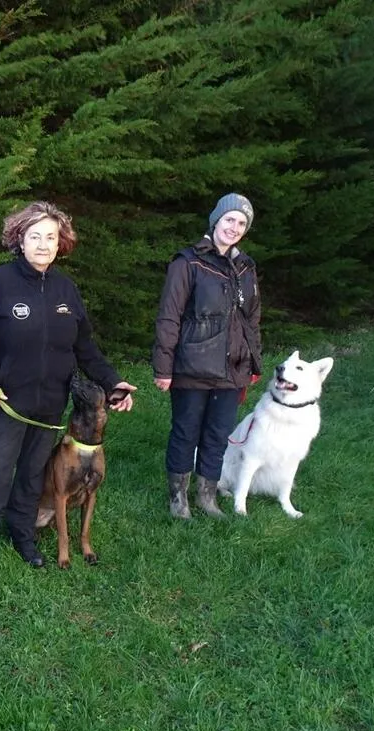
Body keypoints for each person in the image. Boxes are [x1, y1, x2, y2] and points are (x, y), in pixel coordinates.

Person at [0, 201, 136, 581]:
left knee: (32, 476)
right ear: (19, 240)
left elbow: (85, 348)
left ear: (60, 243)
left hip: (52, 405)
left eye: (50, 237)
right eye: (34, 236)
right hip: (7, 404)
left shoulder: (66, 289)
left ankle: (24, 538)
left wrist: (113, 382)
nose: (42, 244)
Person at [152, 193, 262, 519]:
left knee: (217, 434)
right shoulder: (188, 263)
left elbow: (251, 318)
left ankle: (207, 496)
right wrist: (163, 366)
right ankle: (178, 500)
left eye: (242, 223)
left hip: (233, 369)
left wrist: (253, 362)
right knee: (186, 431)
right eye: (229, 219)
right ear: (216, 220)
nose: (234, 227)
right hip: (192, 366)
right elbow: (169, 316)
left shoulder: (246, 267)